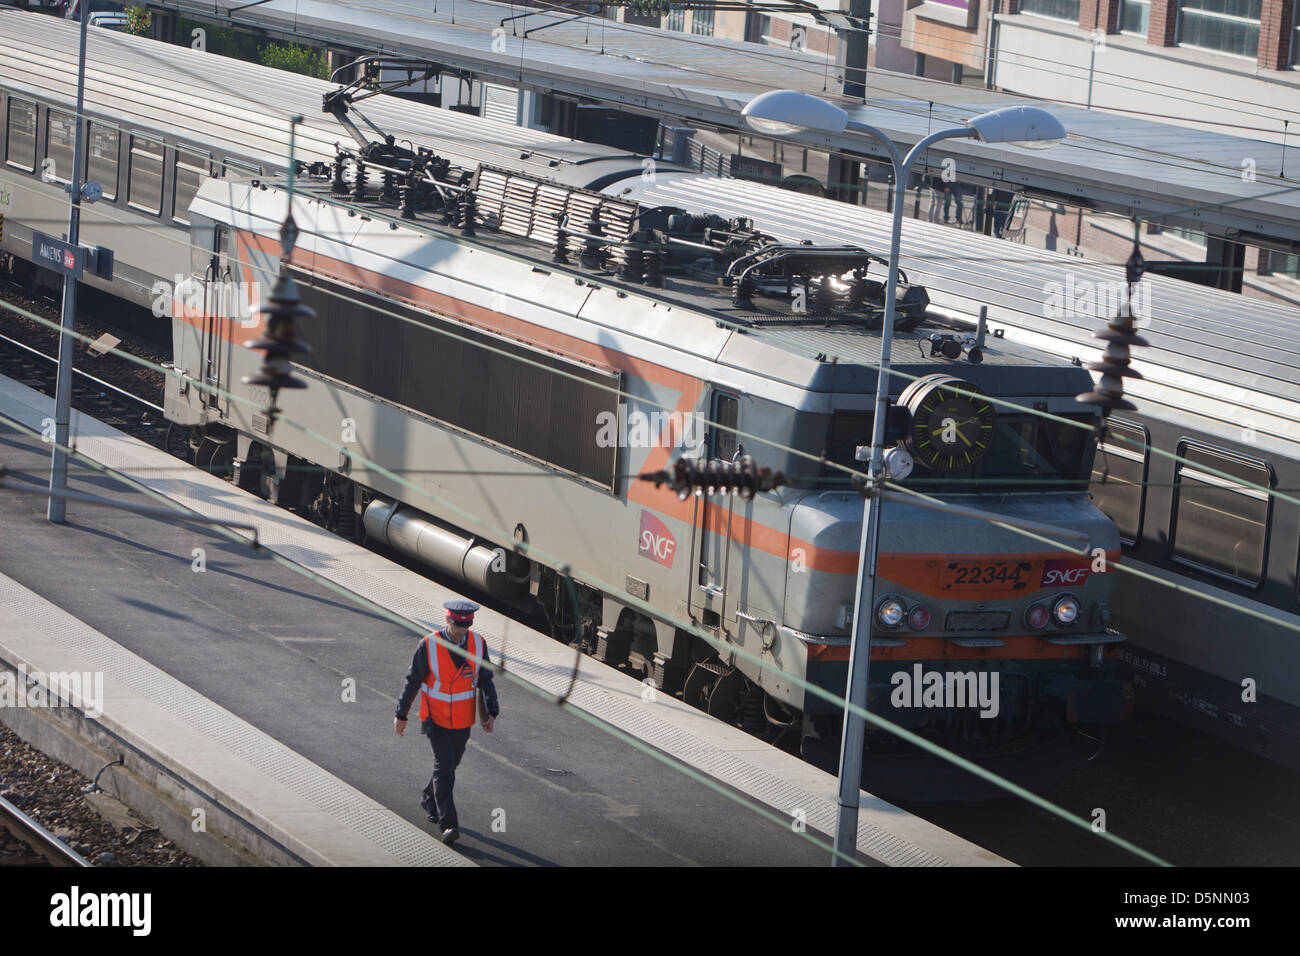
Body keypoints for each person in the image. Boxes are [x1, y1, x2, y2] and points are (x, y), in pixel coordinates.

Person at [394, 599, 499, 846]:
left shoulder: (477, 643)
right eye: (456, 625)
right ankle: (448, 824)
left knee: (451, 765)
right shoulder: (428, 645)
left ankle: (429, 798)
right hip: (436, 718)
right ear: (447, 621)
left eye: (465, 626)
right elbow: (412, 681)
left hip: (463, 720)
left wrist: (491, 712)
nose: (460, 630)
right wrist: (401, 715)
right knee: (445, 768)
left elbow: (485, 679)